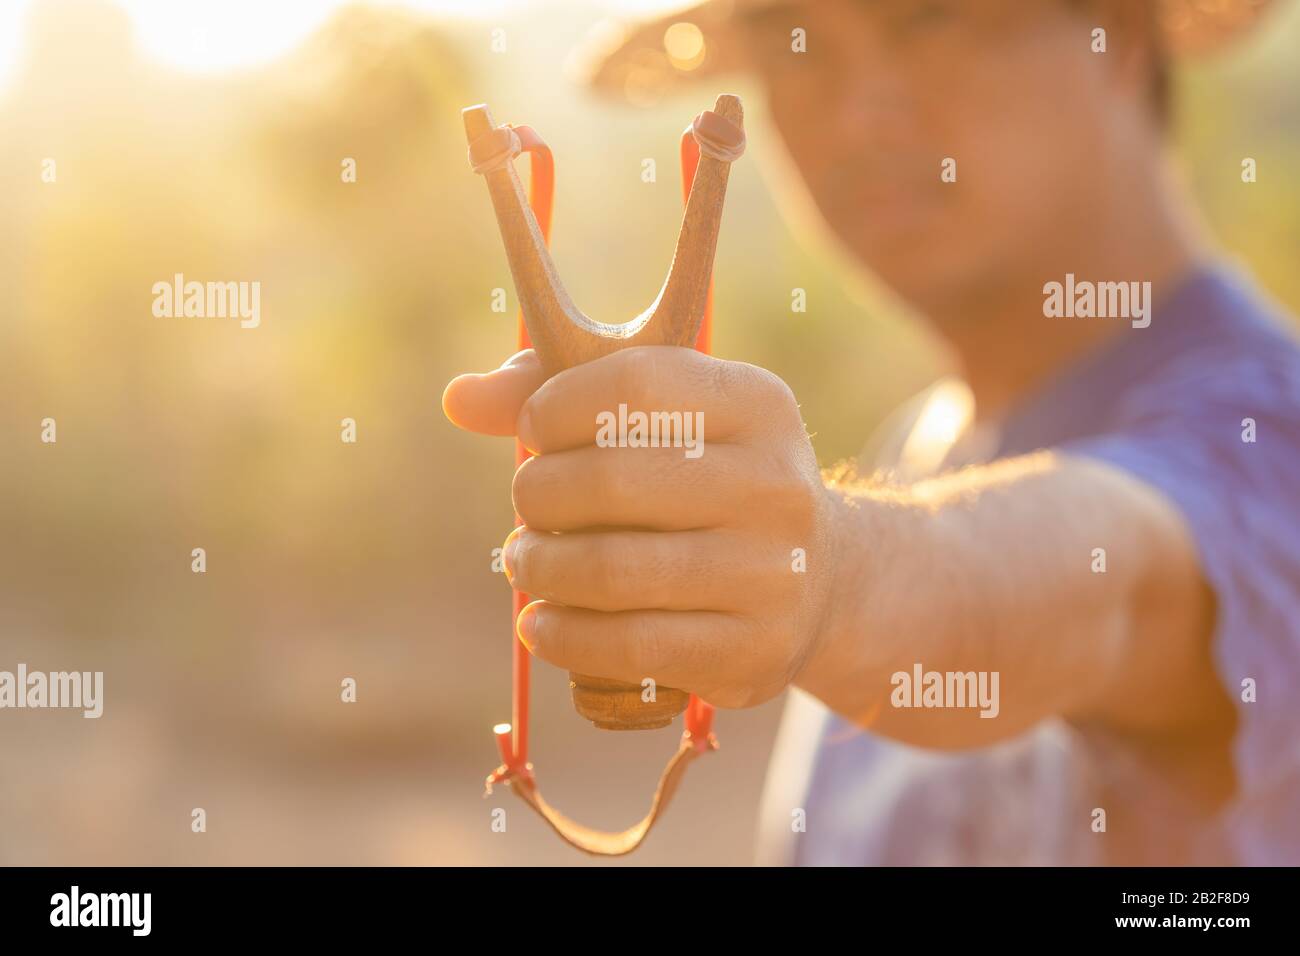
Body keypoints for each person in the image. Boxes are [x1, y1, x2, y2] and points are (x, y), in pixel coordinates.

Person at [443, 0, 1300, 865]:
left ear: (1117, 39)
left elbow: (1118, 586)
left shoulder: (1274, 438)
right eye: (793, 42)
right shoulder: (914, 449)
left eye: (929, 21)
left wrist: (833, 576)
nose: (856, 114)